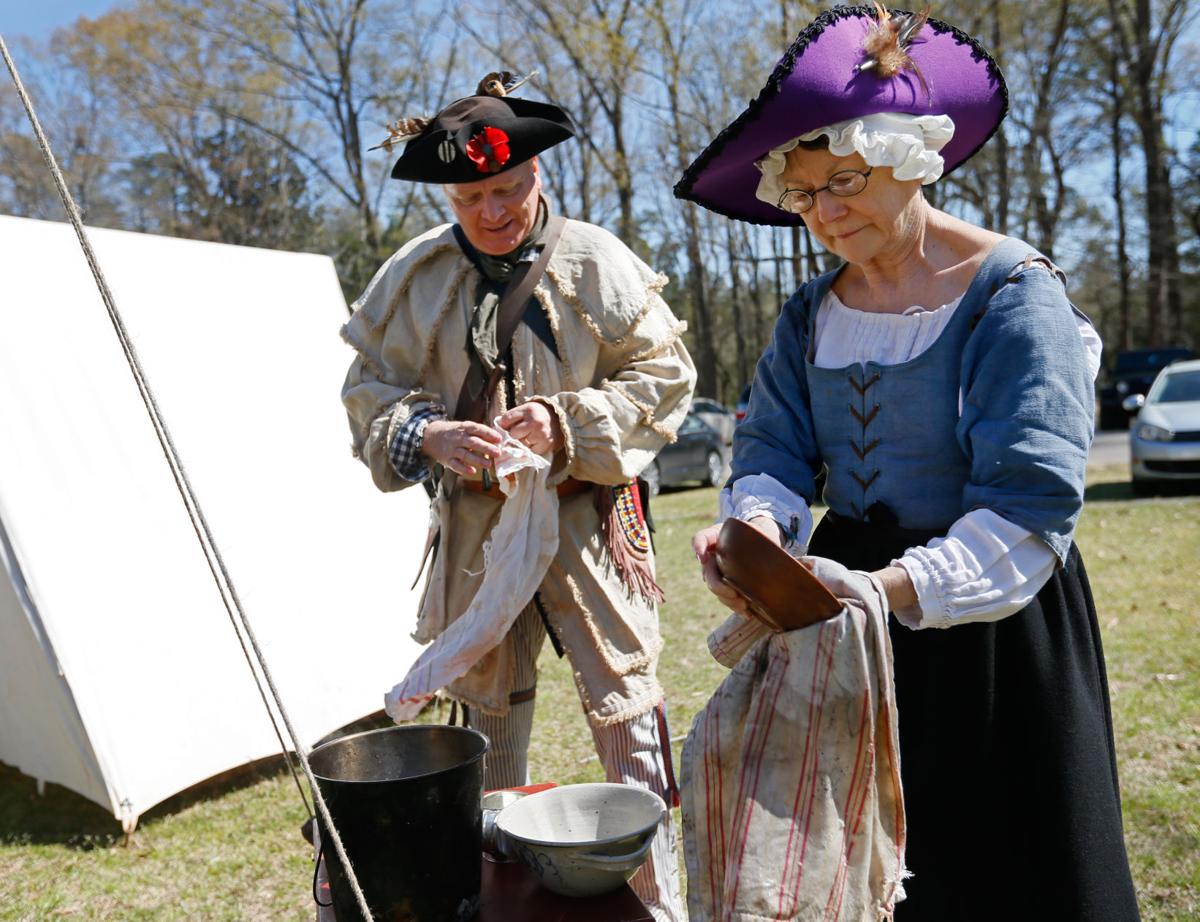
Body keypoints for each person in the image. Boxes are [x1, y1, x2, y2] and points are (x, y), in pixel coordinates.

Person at [676, 6, 1141, 921]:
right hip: (848, 618)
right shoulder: (810, 312)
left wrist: (883, 590)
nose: (827, 212)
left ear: (913, 157)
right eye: (805, 195)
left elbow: (1030, 504)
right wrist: (756, 534)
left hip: (992, 631)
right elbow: (773, 445)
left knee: (1004, 866)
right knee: (877, 867)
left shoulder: (1013, 295)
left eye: (846, 180)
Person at [341, 76, 693, 921]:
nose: (494, 210)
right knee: (486, 726)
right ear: (448, 194)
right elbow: (367, 392)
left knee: (628, 715)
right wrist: (429, 435)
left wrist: (567, 421)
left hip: (591, 529)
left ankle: (661, 900)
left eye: (509, 188)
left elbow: (666, 378)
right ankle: (486, 900)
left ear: (538, 175)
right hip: (474, 537)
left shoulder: (595, 261)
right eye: (471, 196)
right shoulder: (416, 276)